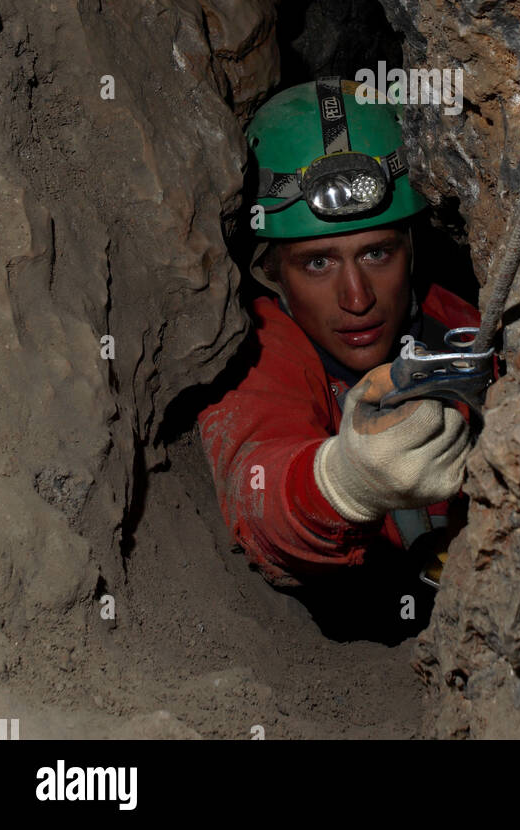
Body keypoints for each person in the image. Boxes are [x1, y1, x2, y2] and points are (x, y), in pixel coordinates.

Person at [197, 76, 482, 637]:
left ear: (412, 247)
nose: (357, 298)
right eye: (318, 264)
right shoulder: (257, 348)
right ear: (270, 270)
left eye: (377, 252)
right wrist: (344, 481)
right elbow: (255, 479)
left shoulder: (463, 327)